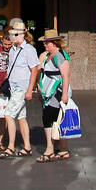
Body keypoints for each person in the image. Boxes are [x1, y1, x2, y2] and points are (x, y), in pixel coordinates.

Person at [0, 18, 40, 157]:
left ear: (22, 35)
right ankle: (27, 146)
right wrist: (4, 85)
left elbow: (34, 69)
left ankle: (10, 146)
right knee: (21, 117)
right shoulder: (13, 49)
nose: (12, 37)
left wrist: (30, 90)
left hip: (22, 87)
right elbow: (10, 69)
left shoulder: (29, 50)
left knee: (9, 115)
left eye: (15, 34)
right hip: (13, 86)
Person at [36, 32, 73, 162]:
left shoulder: (59, 56)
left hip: (57, 93)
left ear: (54, 43)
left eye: (47, 42)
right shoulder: (48, 56)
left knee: (51, 118)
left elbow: (65, 76)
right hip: (48, 93)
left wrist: (64, 95)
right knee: (53, 119)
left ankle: (51, 149)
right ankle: (62, 149)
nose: (45, 45)